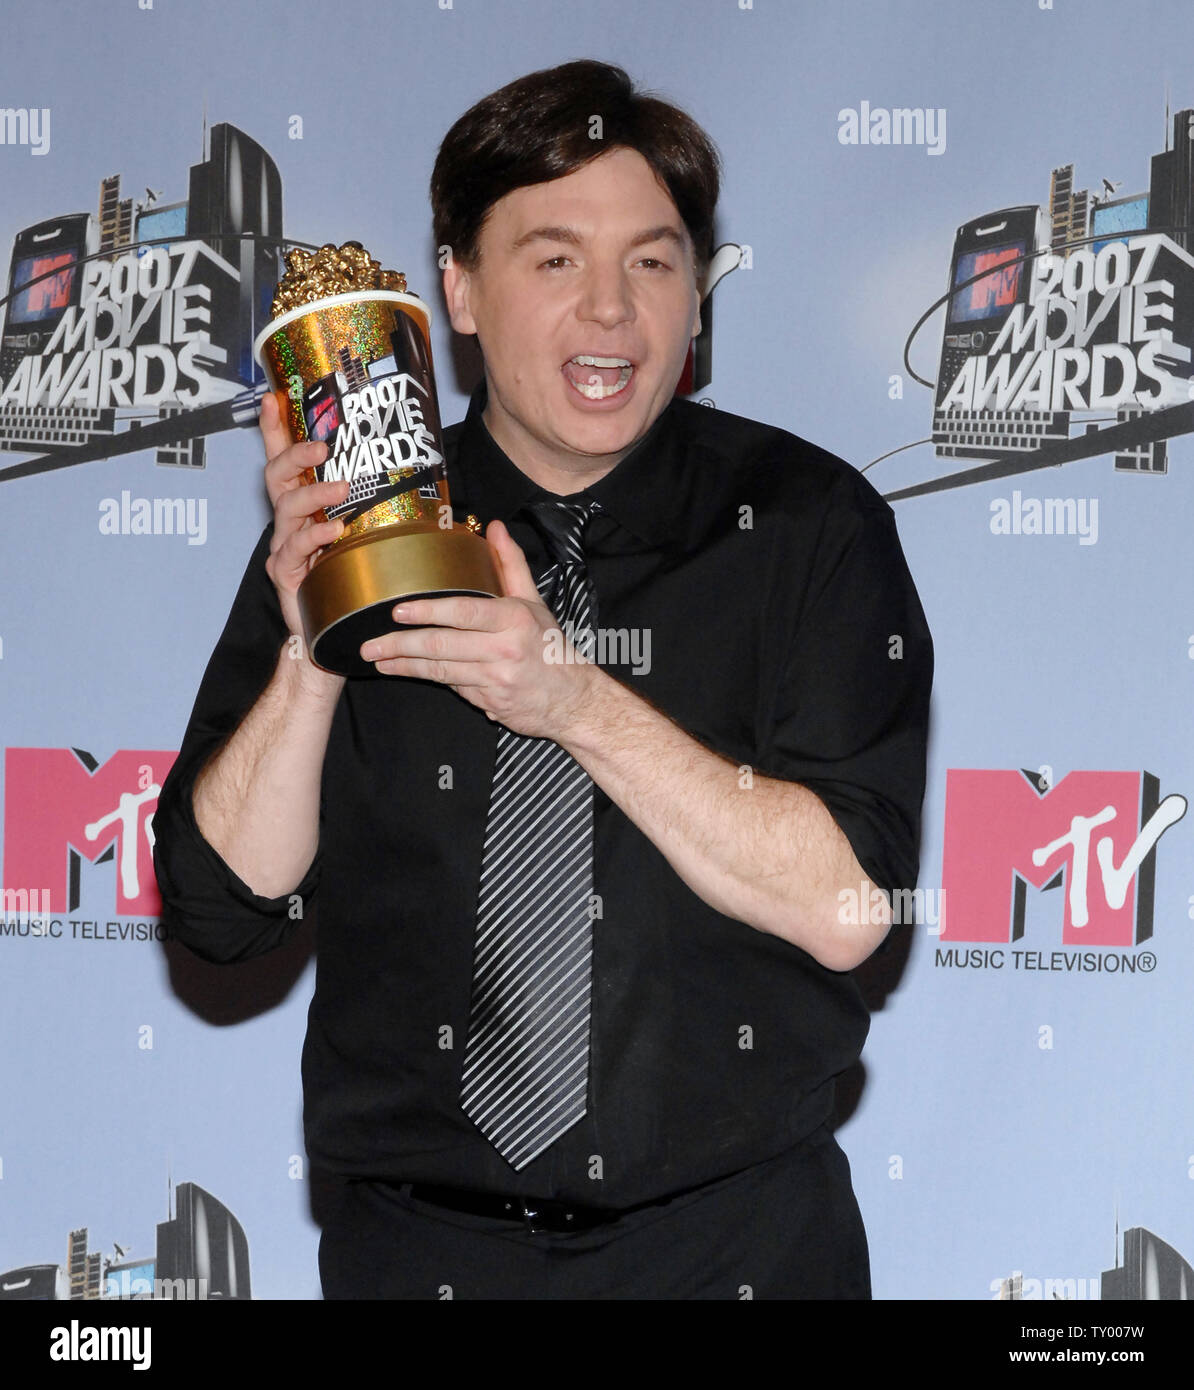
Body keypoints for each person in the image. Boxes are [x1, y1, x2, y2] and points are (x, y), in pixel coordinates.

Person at [154, 59, 932, 1300]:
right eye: (555, 259)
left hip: (737, 1251)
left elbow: (848, 910)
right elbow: (219, 907)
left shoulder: (805, 524)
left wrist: (571, 701)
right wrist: (315, 642)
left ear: (696, 293)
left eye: (654, 260)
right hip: (418, 1255)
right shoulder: (361, 531)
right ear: (457, 288)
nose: (612, 312)